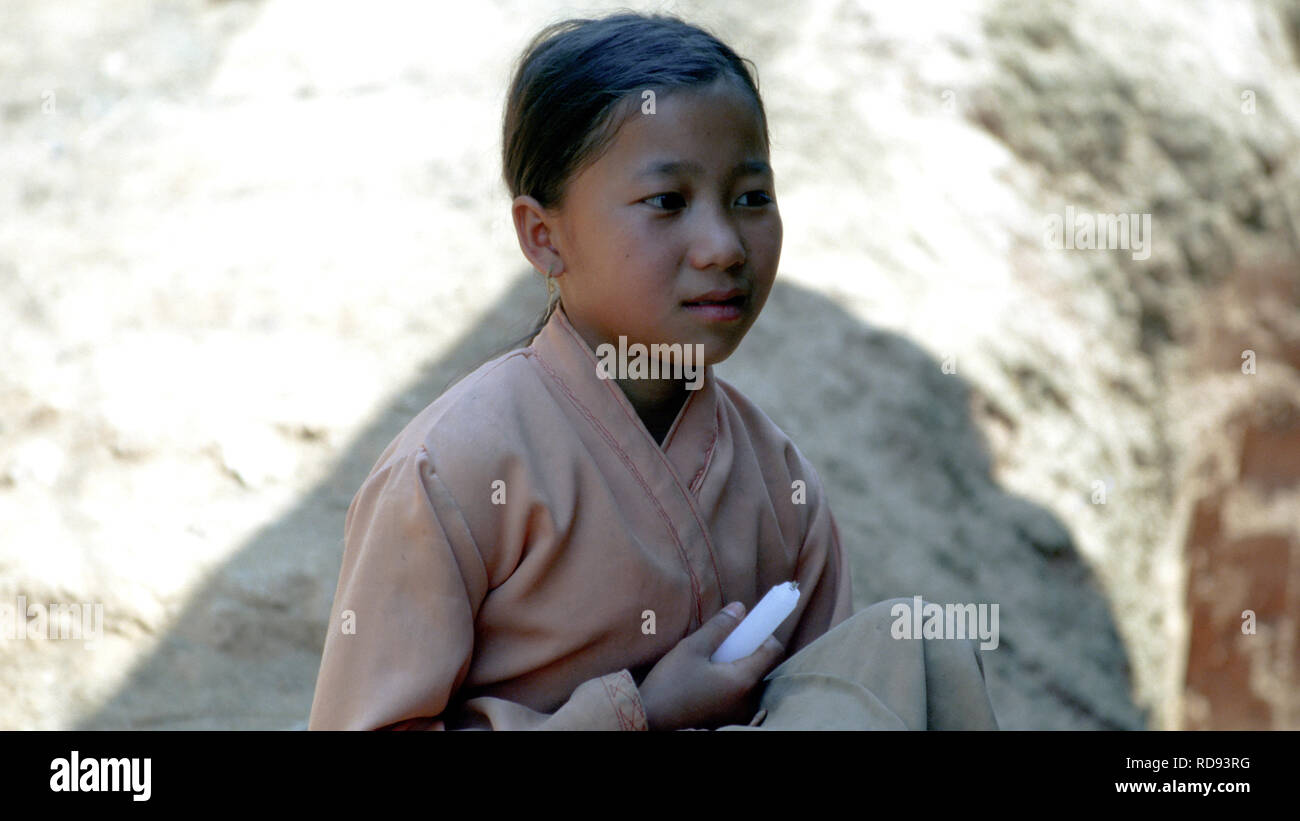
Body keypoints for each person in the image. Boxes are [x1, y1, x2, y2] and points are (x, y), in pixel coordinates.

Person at [308, 12, 998, 731]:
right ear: (544, 237)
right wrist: (639, 713)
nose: (724, 246)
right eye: (667, 202)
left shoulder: (777, 480)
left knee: (914, 644)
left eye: (750, 198)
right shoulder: (450, 469)